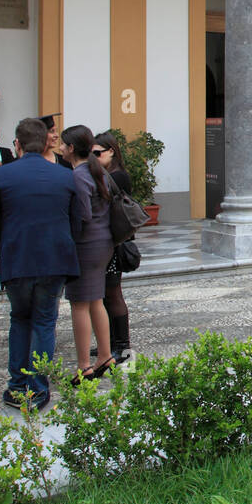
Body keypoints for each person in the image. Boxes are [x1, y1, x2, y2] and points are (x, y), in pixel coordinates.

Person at [0, 117, 81, 410]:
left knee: (20, 319)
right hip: (55, 261)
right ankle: (38, 388)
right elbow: (77, 223)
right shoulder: (65, 176)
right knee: (45, 322)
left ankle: (17, 385)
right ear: (47, 141)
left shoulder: (1, 176)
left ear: (18, 144)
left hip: (17, 260)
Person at [58, 125, 118, 381]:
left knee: (79, 304)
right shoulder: (97, 171)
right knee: (95, 301)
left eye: (63, 144)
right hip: (102, 242)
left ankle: (84, 365)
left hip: (86, 245)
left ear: (71, 148)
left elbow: (81, 214)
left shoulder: (80, 175)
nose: (59, 148)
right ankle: (105, 354)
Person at [92, 132, 134, 362]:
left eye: (97, 153)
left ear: (111, 151)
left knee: (113, 294)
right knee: (106, 295)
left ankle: (123, 346)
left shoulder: (118, 176)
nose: (94, 157)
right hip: (108, 240)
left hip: (115, 243)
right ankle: (108, 343)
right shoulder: (107, 174)